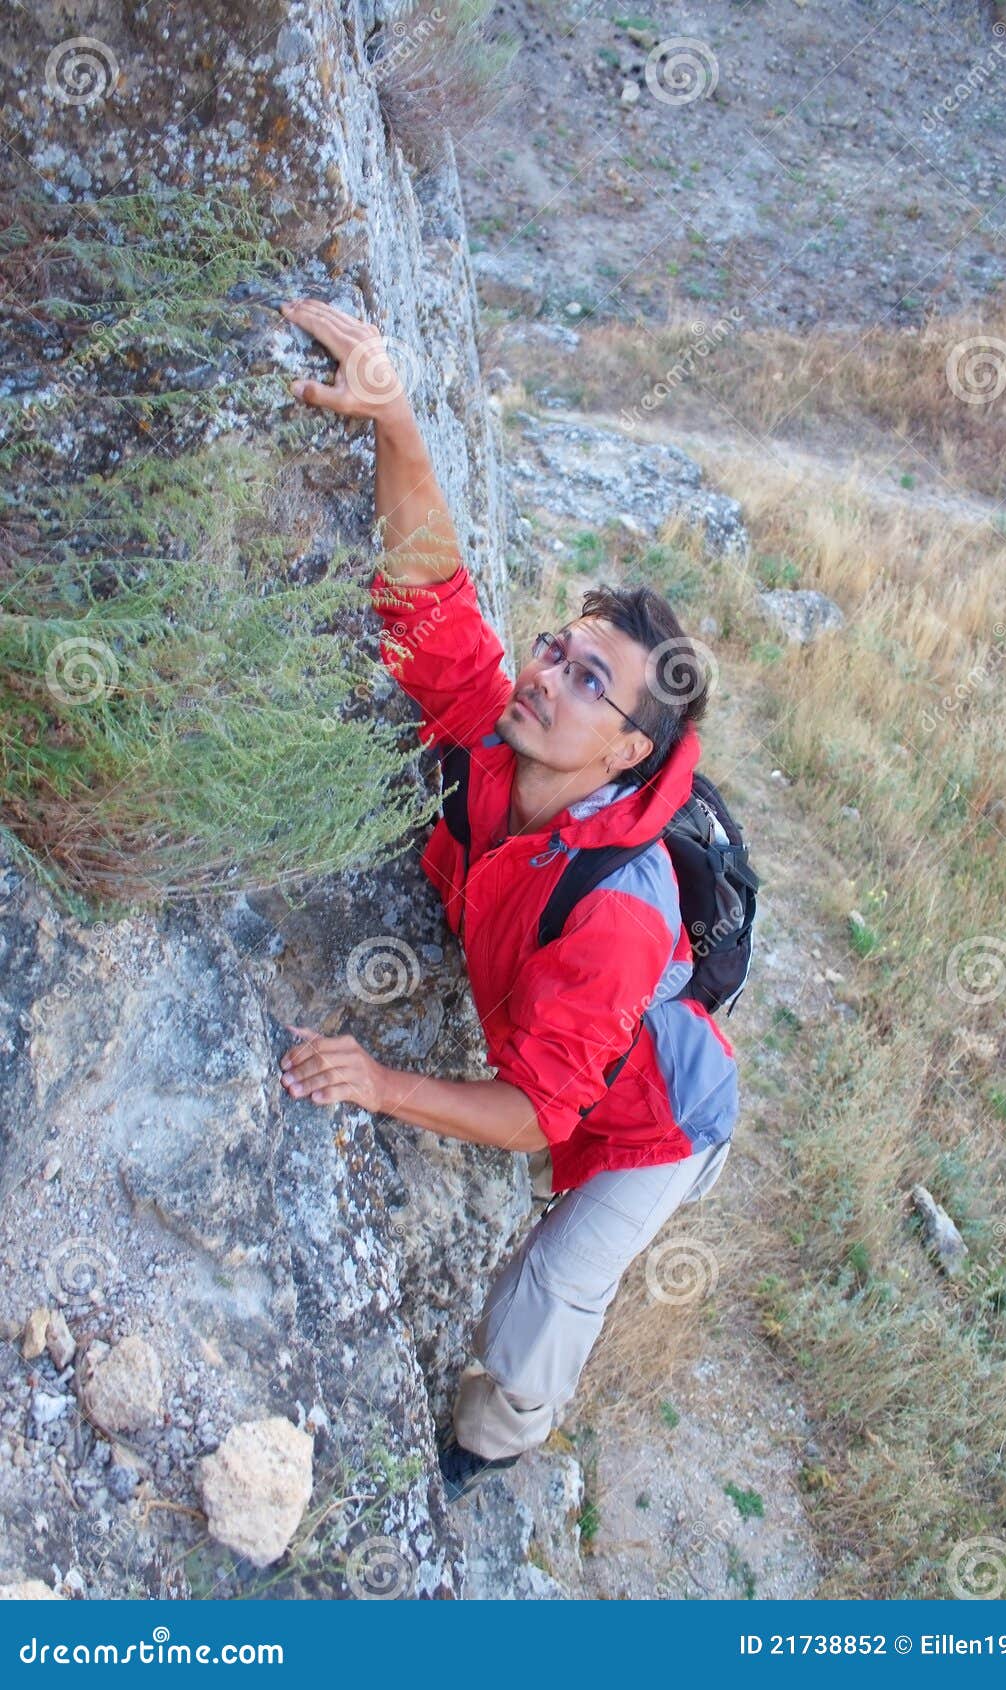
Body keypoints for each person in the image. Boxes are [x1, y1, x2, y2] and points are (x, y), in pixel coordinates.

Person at [276, 299, 739, 1502]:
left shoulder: (618, 911)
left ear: (626, 754)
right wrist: (392, 413)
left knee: (537, 1296)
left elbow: (538, 1114)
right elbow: (428, 593)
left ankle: (492, 1445)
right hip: (590, 1071)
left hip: (658, 1124)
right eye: (556, 650)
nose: (548, 677)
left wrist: (377, 1083)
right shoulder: (495, 741)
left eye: (590, 682)